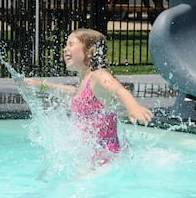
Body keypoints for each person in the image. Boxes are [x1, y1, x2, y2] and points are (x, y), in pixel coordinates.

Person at [26, 28, 153, 165]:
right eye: (66, 45)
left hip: (106, 158)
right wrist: (41, 86)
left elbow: (118, 89)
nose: (65, 49)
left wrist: (132, 107)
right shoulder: (85, 82)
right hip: (90, 156)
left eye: (71, 44)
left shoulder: (98, 75)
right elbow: (73, 93)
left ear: (90, 52)